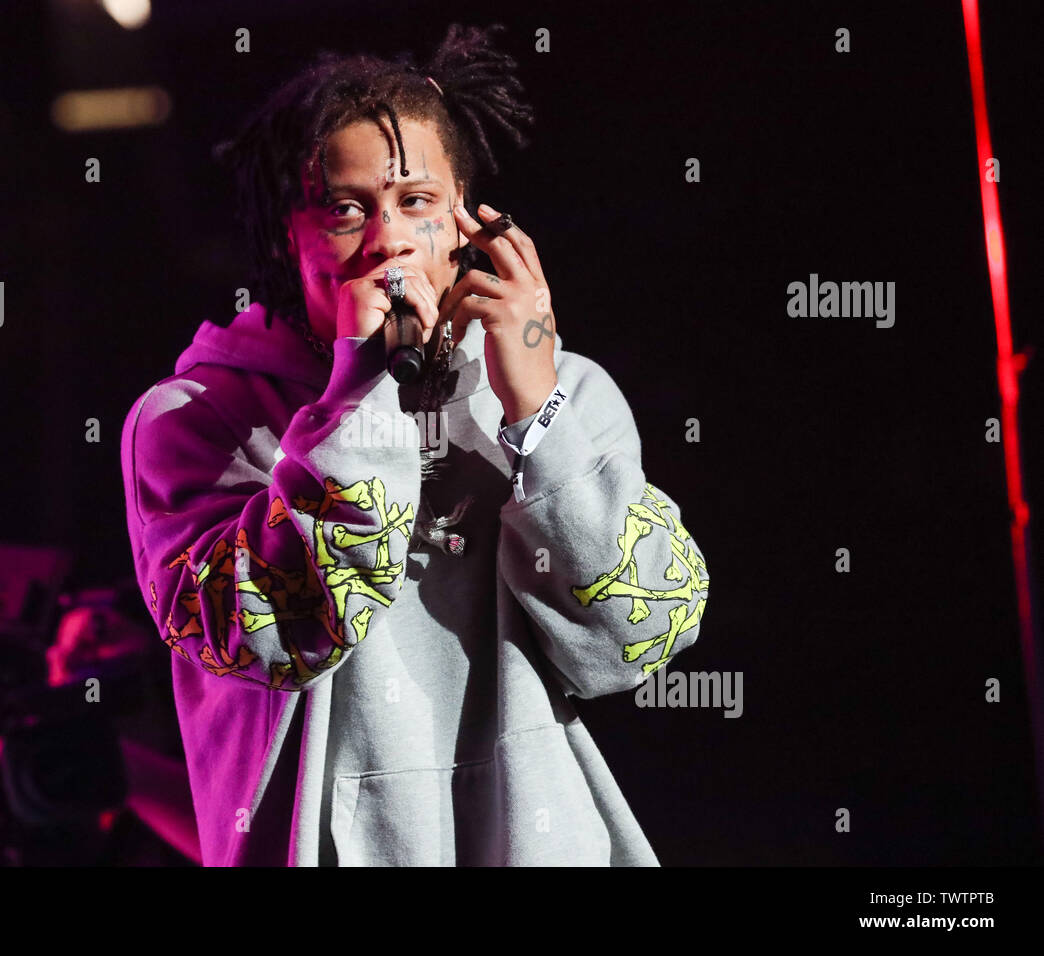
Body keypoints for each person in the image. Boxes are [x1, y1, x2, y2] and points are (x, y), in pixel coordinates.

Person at [120, 23, 711, 866]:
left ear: (471, 224)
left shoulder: (563, 391)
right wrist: (362, 394)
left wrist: (537, 413)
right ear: (287, 239)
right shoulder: (192, 420)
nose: (388, 239)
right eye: (346, 209)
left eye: (418, 202)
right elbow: (277, 637)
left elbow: (635, 639)